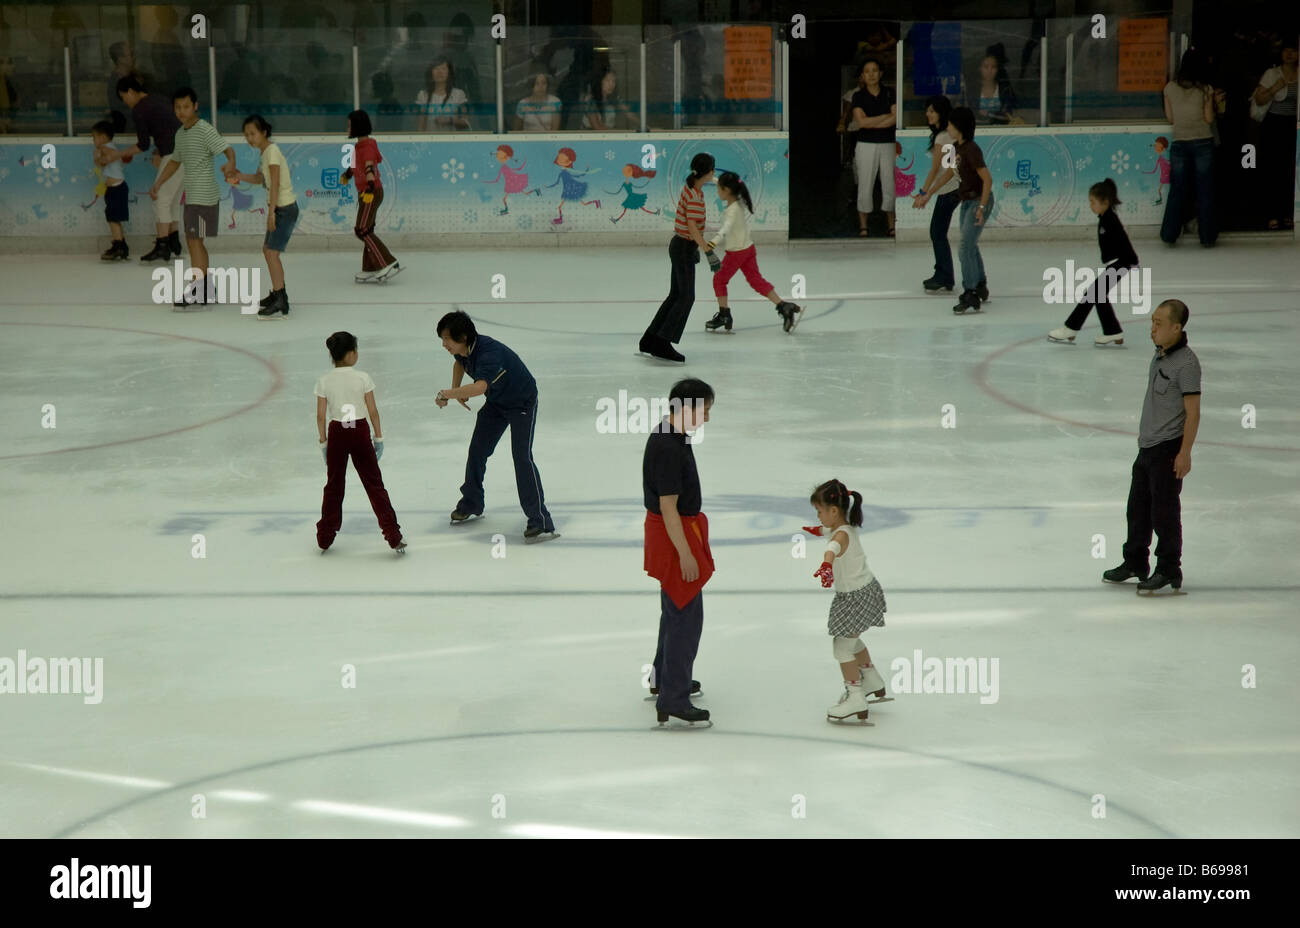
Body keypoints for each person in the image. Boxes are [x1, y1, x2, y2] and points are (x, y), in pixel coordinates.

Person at [1102, 300, 1201, 594]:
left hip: (1167, 450)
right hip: (1147, 447)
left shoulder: (1186, 364)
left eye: (1159, 323)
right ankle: (1135, 562)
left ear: (1176, 327)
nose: (1153, 329)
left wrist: (1185, 452)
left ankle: (1169, 568)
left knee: (1164, 513)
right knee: (1138, 509)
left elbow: (1193, 412)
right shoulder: (1159, 356)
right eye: (1152, 322)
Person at [434, 310, 557, 543]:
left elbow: (480, 387)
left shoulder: (489, 353)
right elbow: (459, 362)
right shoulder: (464, 349)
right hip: (497, 402)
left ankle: (540, 520)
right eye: (442, 339)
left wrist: (448, 394)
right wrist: (457, 388)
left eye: (447, 339)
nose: (444, 344)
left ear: (463, 337)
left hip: (521, 402)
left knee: (522, 457)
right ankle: (471, 501)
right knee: (477, 451)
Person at [643, 378, 715, 729]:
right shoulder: (668, 446)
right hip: (674, 536)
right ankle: (674, 696)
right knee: (686, 617)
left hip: (674, 532)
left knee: (673, 611)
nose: (707, 418)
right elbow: (668, 506)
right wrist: (686, 554)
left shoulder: (671, 435)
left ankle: (664, 678)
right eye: (704, 410)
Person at [802, 480, 890, 722]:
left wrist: (826, 564)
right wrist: (815, 529)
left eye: (820, 511)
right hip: (865, 591)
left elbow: (832, 546)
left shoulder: (841, 535)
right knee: (852, 639)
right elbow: (827, 533)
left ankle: (855, 697)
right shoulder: (844, 526)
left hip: (855, 598)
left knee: (842, 647)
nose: (818, 516)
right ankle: (871, 679)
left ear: (833, 511)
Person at [315, 331, 406, 555]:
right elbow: (373, 411)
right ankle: (393, 535)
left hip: (337, 432)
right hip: (358, 431)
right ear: (350, 354)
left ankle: (325, 536)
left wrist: (324, 444)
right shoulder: (362, 377)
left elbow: (320, 416)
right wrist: (379, 438)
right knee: (374, 484)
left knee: (334, 486)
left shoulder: (324, 380)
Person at [149, 87, 237, 309]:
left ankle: (198, 288)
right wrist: (159, 183)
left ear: (195, 106)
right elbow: (175, 161)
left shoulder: (205, 129)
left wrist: (230, 165)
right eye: (178, 107)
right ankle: (204, 288)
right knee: (194, 241)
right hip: (193, 197)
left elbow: (228, 150)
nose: (181, 111)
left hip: (204, 195)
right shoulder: (181, 134)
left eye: (186, 106)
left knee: (194, 241)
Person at [702, 172, 803, 334]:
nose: (717, 192)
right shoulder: (739, 201)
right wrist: (712, 179)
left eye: (719, 189)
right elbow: (727, 187)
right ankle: (783, 306)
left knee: (719, 280)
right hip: (748, 249)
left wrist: (713, 242)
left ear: (727, 190)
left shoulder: (732, 210)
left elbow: (726, 228)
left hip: (736, 253)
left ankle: (724, 315)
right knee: (756, 281)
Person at [638, 152, 714, 363]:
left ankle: (650, 338)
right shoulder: (696, 195)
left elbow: (693, 224)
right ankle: (662, 343)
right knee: (686, 297)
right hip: (684, 247)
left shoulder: (690, 189)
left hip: (681, 245)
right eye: (712, 170)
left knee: (676, 295)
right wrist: (707, 250)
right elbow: (692, 226)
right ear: (708, 172)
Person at [1047, 179, 1137, 346]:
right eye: (1090, 201)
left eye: (1093, 202)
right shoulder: (1104, 217)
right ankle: (1112, 331)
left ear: (1105, 202)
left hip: (1122, 262)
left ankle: (1070, 328)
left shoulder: (1110, 219)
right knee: (1097, 294)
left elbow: (1123, 241)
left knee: (1093, 293)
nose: (1091, 205)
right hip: (1119, 263)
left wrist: (1131, 261)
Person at [226, 114, 298, 319]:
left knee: (271, 253)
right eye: (246, 135)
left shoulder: (272, 152)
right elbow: (260, 179)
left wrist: (271, 213)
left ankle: (280, 300)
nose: (249, 138)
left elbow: (274, 183)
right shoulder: (265, 153)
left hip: (284, 208)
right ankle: (278, 293)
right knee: (268, 250)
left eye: (252, 133)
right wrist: (239, 176)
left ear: (263, 132)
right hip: (279, 208)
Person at [113, 75, 182, 262]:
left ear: (131, 92)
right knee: (172, 200)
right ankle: (174, 241)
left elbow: (142, 144)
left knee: (160, 199)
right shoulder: (159, 100)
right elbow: (171, 127)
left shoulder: (140, 109)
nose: (124, 102)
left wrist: (117, 155)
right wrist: (159, 151)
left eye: (123, 97)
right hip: (188, 153)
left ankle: (163, 245)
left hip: (175, 155)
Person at [1160, 49, 1217, 247]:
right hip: (1203, 142)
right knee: (1205, 190)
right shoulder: (1206, 89)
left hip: (1180, 142)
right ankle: (1207, 237)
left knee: (1177, 190)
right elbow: (1209, 119)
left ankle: (1169, 234)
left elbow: (1171, 118)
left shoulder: (1169, 88)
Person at [910, 95, 961, 293]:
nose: (927, 114)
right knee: (938, 232)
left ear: (941, 112)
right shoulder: (947, 134)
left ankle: (944, 275)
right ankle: (943, 274)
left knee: (937, 232)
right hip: (951, 189)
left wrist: (925, 193)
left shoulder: (942, 137)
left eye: (932, 110)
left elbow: (935, 170)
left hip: (949, 190)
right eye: (927, 110)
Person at [342, 109, 400, 282]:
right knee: (367, 229)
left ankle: (386, 262)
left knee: (362, 229)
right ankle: (370, 267)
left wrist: (370, 186)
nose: (347, 128)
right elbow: (355, 165)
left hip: (371, 192)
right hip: (366, 192)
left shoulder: (367, 146)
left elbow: (369, 166)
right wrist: (347, 175)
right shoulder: (360, 146)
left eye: (349, 125)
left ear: (357, 126)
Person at [946, 106, 993, 314]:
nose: (947, 127)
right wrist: (927, 192)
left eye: (950, 124)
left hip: (978, 201)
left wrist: (981, 207)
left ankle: (971, 291)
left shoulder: (972, 149)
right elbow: (949, 174)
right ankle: (980, 284)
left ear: (960, 127)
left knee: (965, 246)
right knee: (969, 244)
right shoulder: (956, 147)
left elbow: (987, 180)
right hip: (966, 201)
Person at [1251, 38, 1298, 231]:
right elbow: (1259, 99)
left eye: (1294, 50)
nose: (1289, 54)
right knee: (1272, 170)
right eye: (1286, 50)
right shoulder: (1272, 73)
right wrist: (1274, 88)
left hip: (1293, 126)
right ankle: (1272, 214)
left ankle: (1288, 213)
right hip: (1274, 126)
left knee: (1291, 170)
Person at [850, 58, 897, 237]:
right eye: (867, 71)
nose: (871, 74)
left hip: (888, 144)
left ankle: (891, 224)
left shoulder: (889, 93)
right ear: (862, 75)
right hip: (865, 145)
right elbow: (861, 122)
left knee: (889, 184)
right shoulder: (858, 96)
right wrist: (884, 118)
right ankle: (864, 226)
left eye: (874, 70)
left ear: (881, 73)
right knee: (865, 184)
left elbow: (896, 117)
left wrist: (871, 122)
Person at [90, 118, 129, 261]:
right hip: (113, 189)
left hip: (117, 188)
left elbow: (105, 160)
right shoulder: (107, 148)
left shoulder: (108, 148)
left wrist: (99, 153)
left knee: (113, 218)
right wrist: (97, 158)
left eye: (94, 137)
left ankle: (119, 245)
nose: (93, 140)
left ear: (102, 137)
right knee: (112, 218)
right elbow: (102, 164)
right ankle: (121, 245)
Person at [415, 56, 470, 132]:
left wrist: (450, 121)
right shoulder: (423, 95)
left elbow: (466, 123)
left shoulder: (458, 94)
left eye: (443, 69)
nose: (439, 72)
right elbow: (420, 127)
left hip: (452, 141)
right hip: (430, 141)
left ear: (449, 73)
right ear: (431, 72)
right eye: (436, 68)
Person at [483, 144, 540, 215]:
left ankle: (506, 210)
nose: (498, 157)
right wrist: (487, 181)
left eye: (500, 155)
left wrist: (486, 181)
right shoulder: (503, 167)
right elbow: (497, 180)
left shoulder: (505, 167)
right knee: (525, 193)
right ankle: (536, 190)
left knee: (508, 198)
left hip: (514, 182)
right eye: (498, 155)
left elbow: (518, 169)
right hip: (511, 183)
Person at [967, 45, 1017, 125]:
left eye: (993, 67)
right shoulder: (972, 90)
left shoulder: (1005, 90)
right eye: (986, 67)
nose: (989, 71)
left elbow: (1009, 114)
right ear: (980, 68)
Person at [105, 41, 138, 122]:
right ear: (121, 59)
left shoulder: (132, 77)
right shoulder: (115, 83)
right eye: (131, 54)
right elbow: (120, 110)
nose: (134, 58)